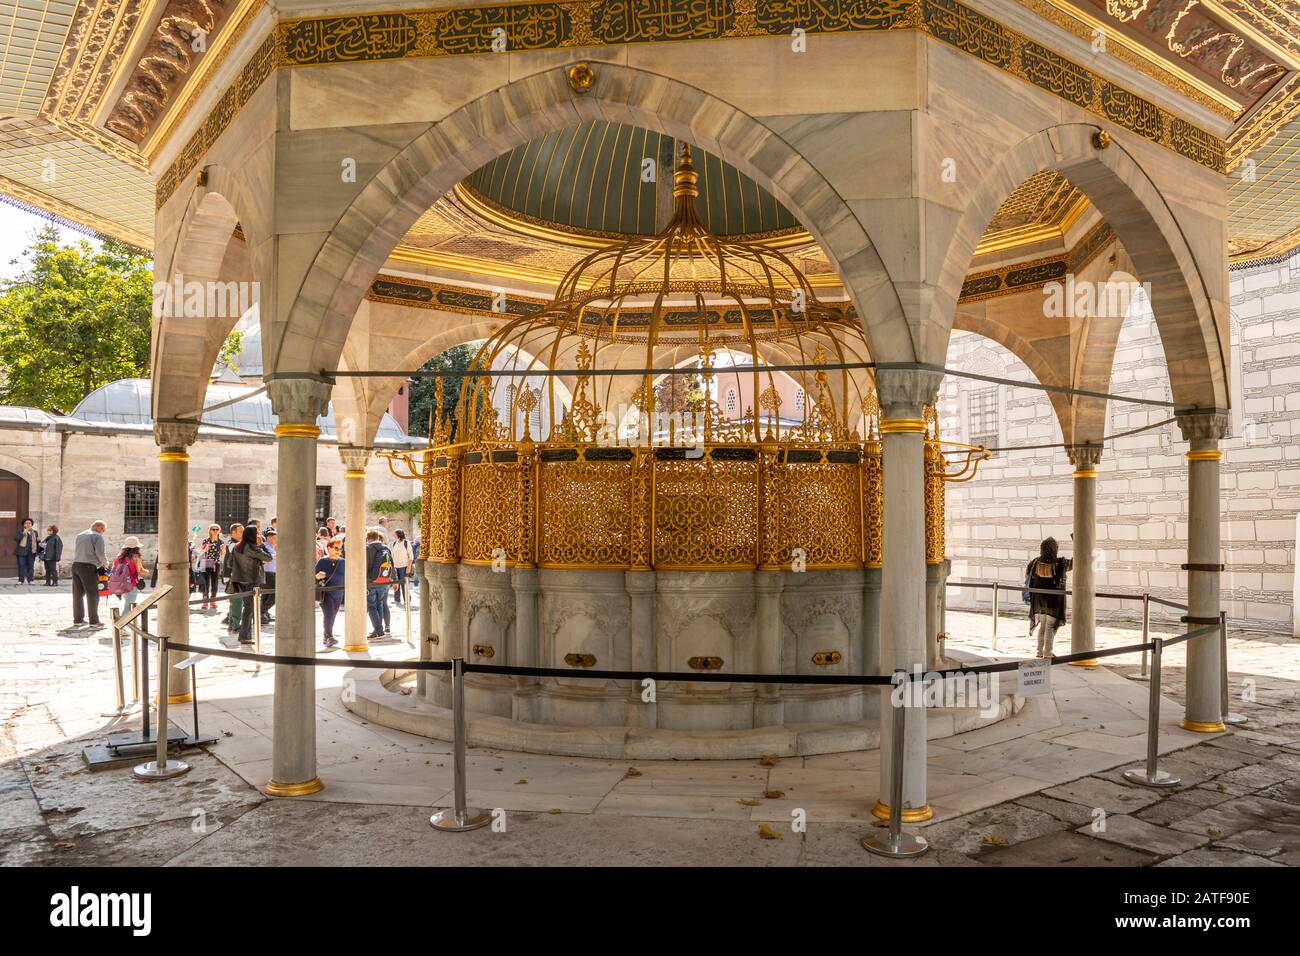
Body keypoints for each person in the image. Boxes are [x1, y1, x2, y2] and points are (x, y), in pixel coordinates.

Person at [224, 525, 272, 646]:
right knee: (248, 609)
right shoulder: (253, 547)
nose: (258, 536)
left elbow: (230, 563)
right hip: (251, 581)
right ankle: (244, 636)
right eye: (257, 533)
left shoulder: (236, 547)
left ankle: (242, 632)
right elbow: (269, 557)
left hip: (239, 581)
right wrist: (262, 545)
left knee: (247, 607)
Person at [1025, 537, 1072, 659]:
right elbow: (1076, 561)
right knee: (1050, 627)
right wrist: (1076, 541)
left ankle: (1040, 652)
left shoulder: (1034, 563)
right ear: (1054, 549)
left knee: (1043, 626)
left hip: (1039, 602)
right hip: (1054, 602)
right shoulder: (1061, 563)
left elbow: (1027, 576)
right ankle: (1047, 653)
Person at [71, 521, 107, 627]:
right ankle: (94, 621)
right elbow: (100, 553)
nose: (103, 533)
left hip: (76, 565)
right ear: (98, 527)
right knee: (93, 594)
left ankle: (78, 620)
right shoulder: (97, 536)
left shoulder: (80, 535)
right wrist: (106, 564)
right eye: (103, 530)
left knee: (77, 594)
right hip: (88, 567)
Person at [314, 538, 345, 649]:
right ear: (329, 548)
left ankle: (328, 635)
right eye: (336, 548)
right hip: (326, 594)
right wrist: (317, 576)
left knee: (333, 615)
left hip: (339, 593)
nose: (338, 551)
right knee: (329, 614)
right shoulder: (322, 561)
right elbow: (313, 576)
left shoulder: (343, 562)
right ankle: (328, 636)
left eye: (340, 549)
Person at [364, 529, 393, 641]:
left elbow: (365, 566)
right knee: (379, 604)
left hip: (371, 581)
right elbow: (392, 565)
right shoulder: (386, 548)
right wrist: (393, 579)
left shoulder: (367, 548)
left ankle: (379, 631)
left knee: (371, 606)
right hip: (384, 580)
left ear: (369, 538)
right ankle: (377, 630)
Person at [109, 537, 146, 615]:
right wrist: (147, 572)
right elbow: (140, 571)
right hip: (132, 585)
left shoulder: (118, 558)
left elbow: (114, 570)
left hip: (121, 585)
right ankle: (120, 624)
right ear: (136, 547)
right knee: (129, 607)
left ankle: (128, 623)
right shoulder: (135, 557)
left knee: (128, 605)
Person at [221, 522, 244, 633]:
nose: (243, 533)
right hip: (233, 577)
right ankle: (234, 625)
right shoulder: (232, 544)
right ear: (233, 532)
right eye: (241, 531)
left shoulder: (238, 543)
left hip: (236, 576)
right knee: (237, 602)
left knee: (236, 601)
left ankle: (231, 623)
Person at [197, 524, 224, 609]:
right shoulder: (206, 540)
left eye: (217, 529)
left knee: (215, 582)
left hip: (215, 563)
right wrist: (206, 549)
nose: (215, 531)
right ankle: (205, 601)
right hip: (206, 562)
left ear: (219, 531)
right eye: (213, 529)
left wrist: (223, 550)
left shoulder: (221, 542)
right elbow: (200, 552)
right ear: (210, 530)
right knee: (205, 582)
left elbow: (222, 554)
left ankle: (213, 601)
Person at [390, 529, 413, 606]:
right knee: (396, 583)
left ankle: (407, 600)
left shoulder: (406, 543)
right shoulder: (394, 543)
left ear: (399, 535)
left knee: (404, 584)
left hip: (404, 567)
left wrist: (409, 567)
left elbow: (411, 557)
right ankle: (397, 599)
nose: (393, 535)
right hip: (395, 567)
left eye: (394, 534)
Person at [14, 518, 38, 584]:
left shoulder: (35, 532)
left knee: (31, 567)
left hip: (31, 552)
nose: (28, 524)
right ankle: (21, 580)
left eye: (29, 523)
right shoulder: (20, 531)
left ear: (31, 524)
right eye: (26, 523)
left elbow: (36, 542)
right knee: (21, 566)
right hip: (21, 552)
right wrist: (23, 533)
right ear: (24, 524)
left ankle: (30, 580)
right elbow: (16, 539)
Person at [262, 529, 277, 624]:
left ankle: (263, 613)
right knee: (273, 594)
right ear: (269, 538)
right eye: (275, 538)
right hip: (267, 573)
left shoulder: (274, 546)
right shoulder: (264, 546)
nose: (277, 539)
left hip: (274, 572)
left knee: (267, 595)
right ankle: (261, 611)